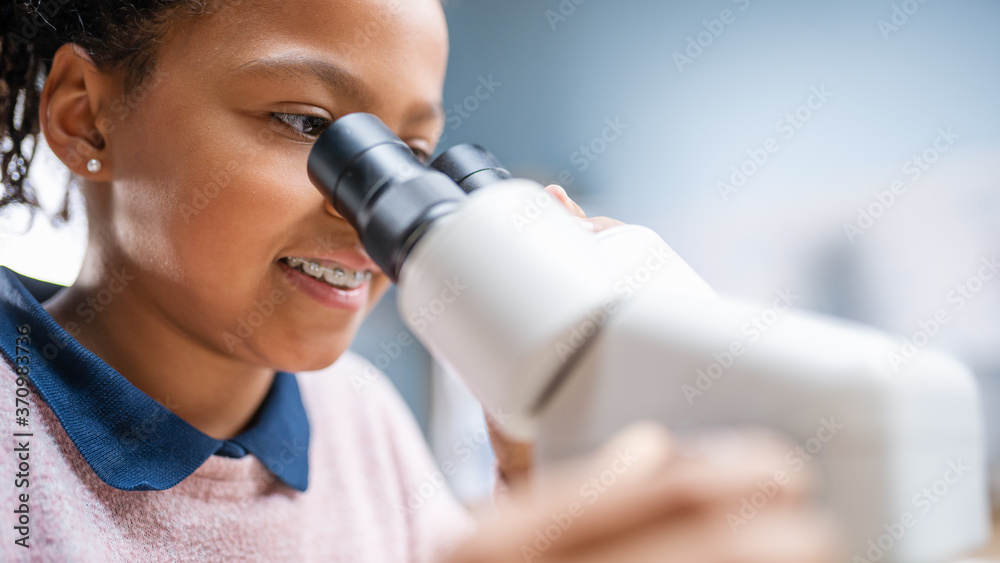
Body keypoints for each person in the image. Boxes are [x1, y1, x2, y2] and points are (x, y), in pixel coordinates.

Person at [0, 0, 840, 560]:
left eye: (411, 158)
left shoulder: (362, 418)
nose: (371, 213)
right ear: (85, 115)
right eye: (306, 123)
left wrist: (548, 486)